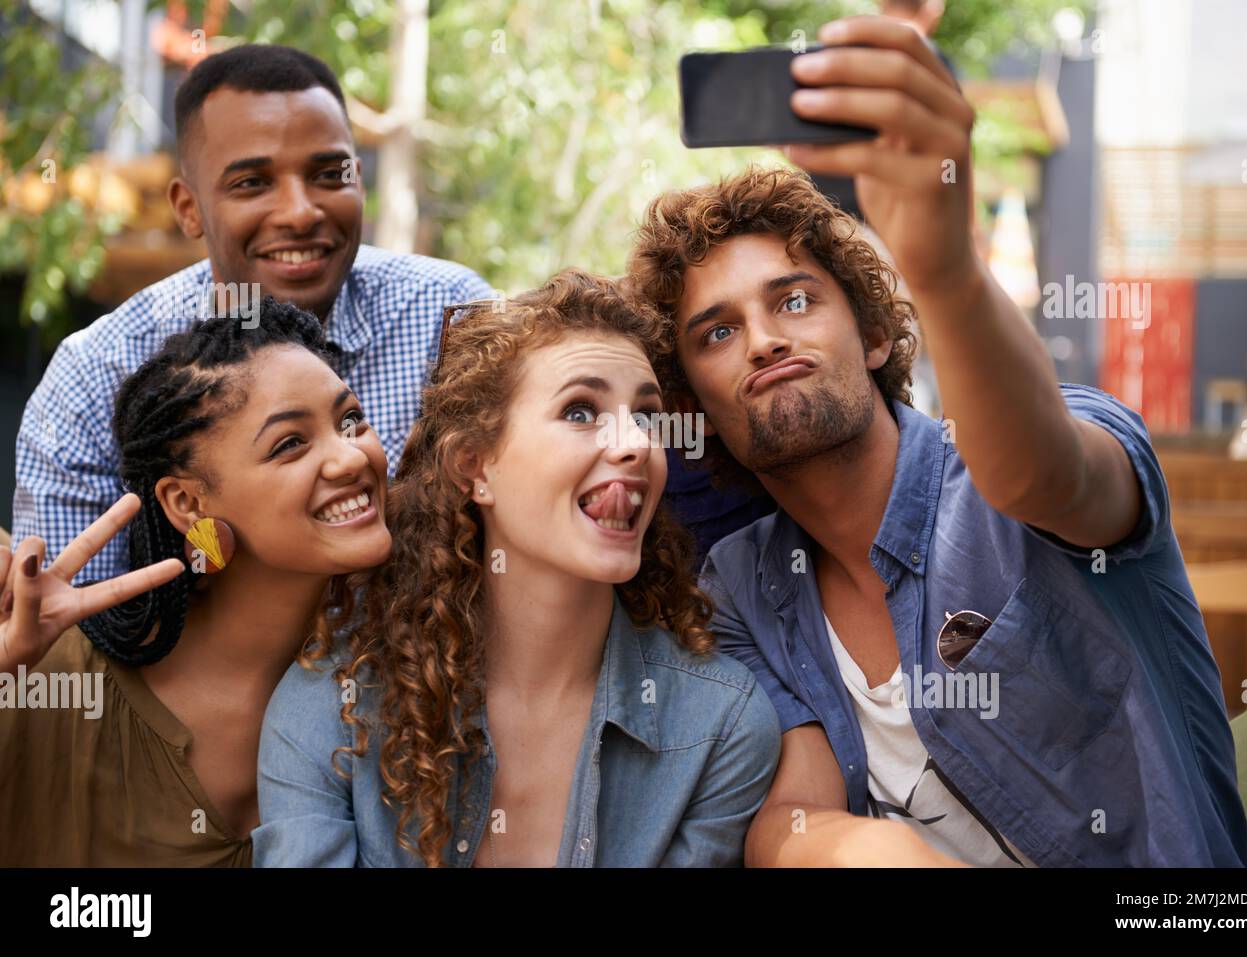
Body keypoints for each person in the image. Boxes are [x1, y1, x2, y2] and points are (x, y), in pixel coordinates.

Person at [626, 15, 1247, 866]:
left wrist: (945, 264)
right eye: (716, 333)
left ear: (876, 334)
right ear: (696, 395)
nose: (765, 338)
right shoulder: (743, 583)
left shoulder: (1029, 466)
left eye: (796, 300)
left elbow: (1045, 475)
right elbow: (790, 817)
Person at [254, 270, 781, 867]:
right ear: (474, 467)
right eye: (581, 412)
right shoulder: (334, 706)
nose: (634, 442)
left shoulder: (721, 723)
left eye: (646, 416)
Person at [12, 43, 491, 585]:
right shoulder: (97, 376)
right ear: (188, 208)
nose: (300, 212)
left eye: (329, 175)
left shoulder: (449, 318)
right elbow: (73, 628)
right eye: (252, 183)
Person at [0, 300, 393, 865]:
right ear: (187, 503)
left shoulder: (405, 679)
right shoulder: (50, 679)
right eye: (290, 444)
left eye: (350, 421)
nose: (350, 457)